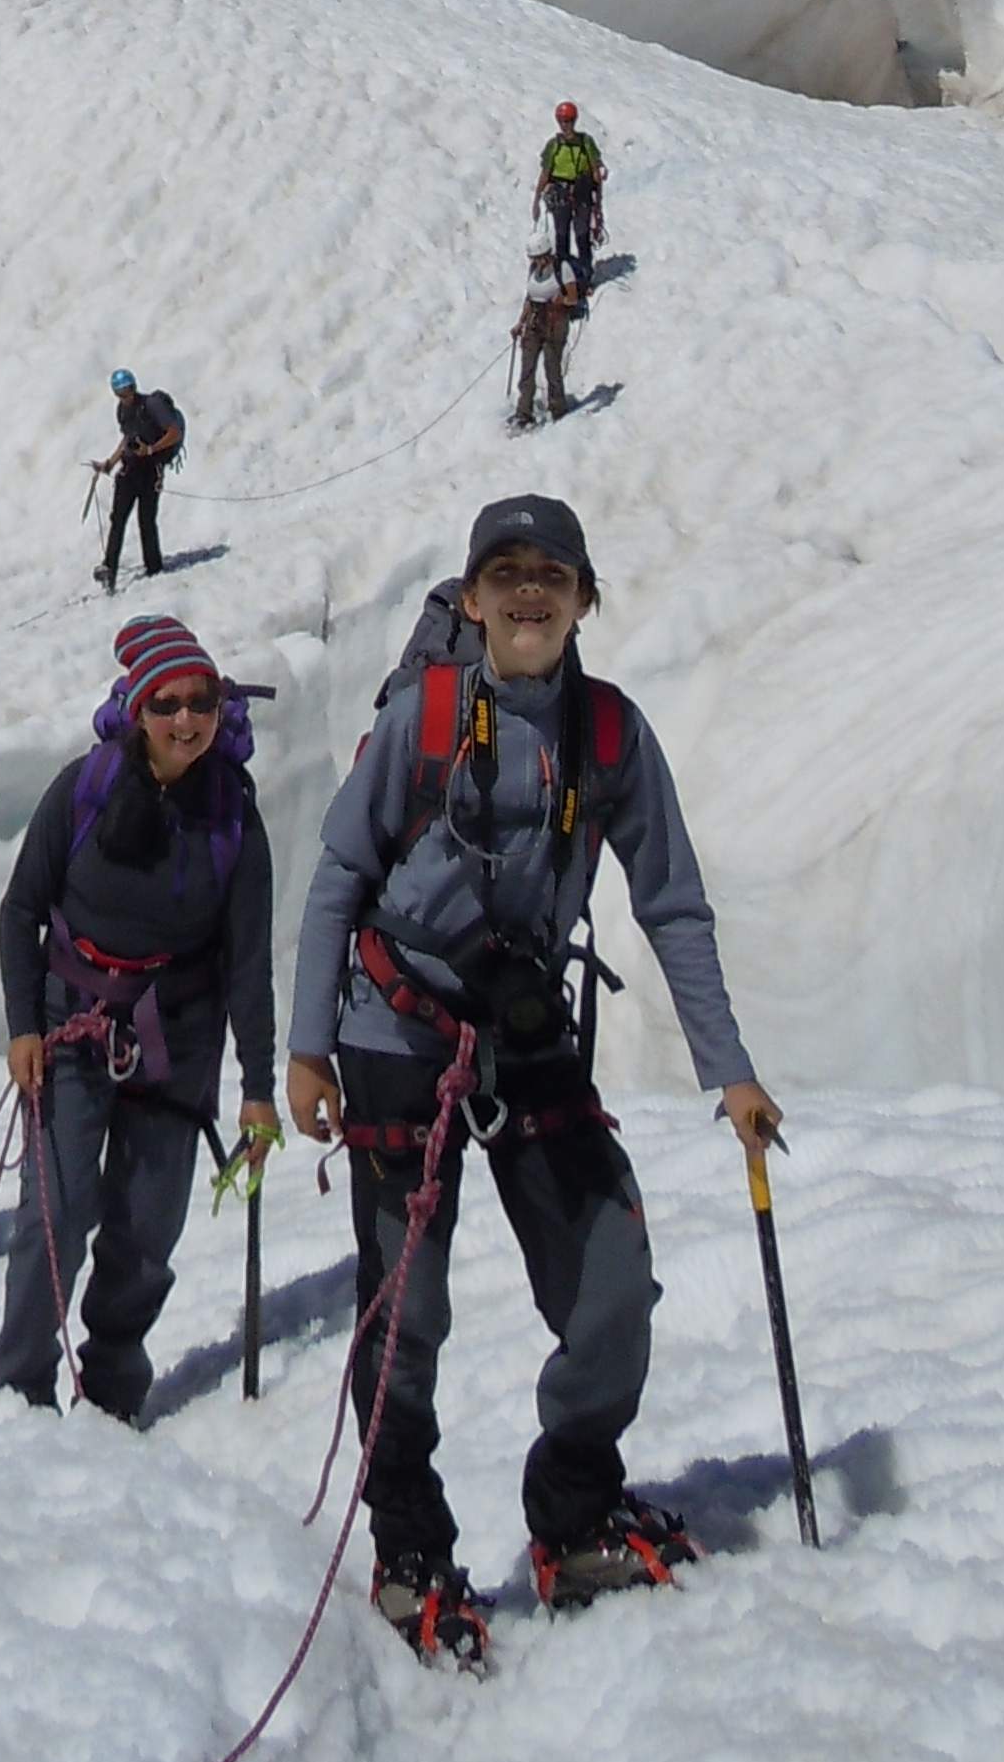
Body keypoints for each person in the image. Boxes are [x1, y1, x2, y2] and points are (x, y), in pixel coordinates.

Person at [285, 493, 783, 1664]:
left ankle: (573, 1506)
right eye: (505, 573)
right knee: (406, 1312)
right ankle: (409, 1551)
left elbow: (671, 903)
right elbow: (340, 873)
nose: (527, 592)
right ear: (471, 598)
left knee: (612, 1284)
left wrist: (731, 1071)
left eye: (550, 576)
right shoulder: (424, 720)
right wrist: (307, 1047)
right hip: (396, 1029)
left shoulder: (609, 737)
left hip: (524, 1030)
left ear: (583, 601)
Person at [0, 612, 279, 1419]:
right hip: (72, 1025)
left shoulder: (233, 814)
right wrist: (23, 1026)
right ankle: (19, 1393)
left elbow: (248, 960)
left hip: (177, 1039)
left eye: (201, 702)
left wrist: (258, 1088)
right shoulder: (82, 789)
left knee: (146, 1231)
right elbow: (21, 910)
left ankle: (112, 1392)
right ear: (137, 708)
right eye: (167, 704)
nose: (186, 719)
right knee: (55, 1213)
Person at [91, 369, 184, 592]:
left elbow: (175, 433)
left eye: (128, 391)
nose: (125, 396)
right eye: (121, 393)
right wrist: (110, 463)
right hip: (131, 469)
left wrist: (150, 449)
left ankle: (154, 568)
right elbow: (127, 438)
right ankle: (109, 568)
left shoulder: (152, 405)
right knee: (118, 519)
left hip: (151, 470)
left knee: (146, 520)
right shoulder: (123, 410)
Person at [511, 248, 586, 431]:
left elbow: (573, 298)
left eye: (537, 258)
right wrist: (520, 323)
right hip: (534, 322)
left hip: (555, 323)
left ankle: (558, 408)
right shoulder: (533, 270)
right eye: (533, 258)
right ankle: (523, 412)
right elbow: (529, 299)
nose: (535, 261)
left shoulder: (563, 268)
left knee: (552, 368)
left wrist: (560, 301)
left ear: (545, 255)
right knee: (527, 368)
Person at [536, 104, 605, 278]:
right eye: (561, 121)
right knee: (562, 235)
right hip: (560, 193)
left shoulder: (586, 143)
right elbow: (545, 173)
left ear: (574, 121)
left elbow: (596, 173)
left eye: (568, 121)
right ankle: (564, 275)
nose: (564, 125)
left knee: (582, 234)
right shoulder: (554, 145)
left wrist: (598, 205)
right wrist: (536, 199)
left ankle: (585, 275)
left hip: (582, 192)